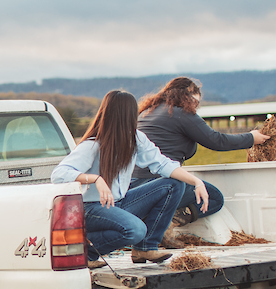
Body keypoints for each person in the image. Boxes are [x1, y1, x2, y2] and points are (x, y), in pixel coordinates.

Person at [51, 90, 210, 267]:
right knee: (135, 229)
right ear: (126, 115)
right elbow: (59, 174)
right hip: (91, 209)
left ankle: (146, 246)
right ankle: (85, 250)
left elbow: (163, 164)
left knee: (173, 184)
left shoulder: (136, 138)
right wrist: (95, 179)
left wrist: (196, 181)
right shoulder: (93, 145)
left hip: (119, 202)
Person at [131, 77, 269, 222]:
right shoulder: (180, 113)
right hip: (160, 181)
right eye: (195, 102)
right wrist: (251, 138)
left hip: (134, 183)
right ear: (187, 98)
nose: (195, 107)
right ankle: (169, 222)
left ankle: (155, 219)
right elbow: (217, 141)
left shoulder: (146, 112)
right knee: (214, 198)